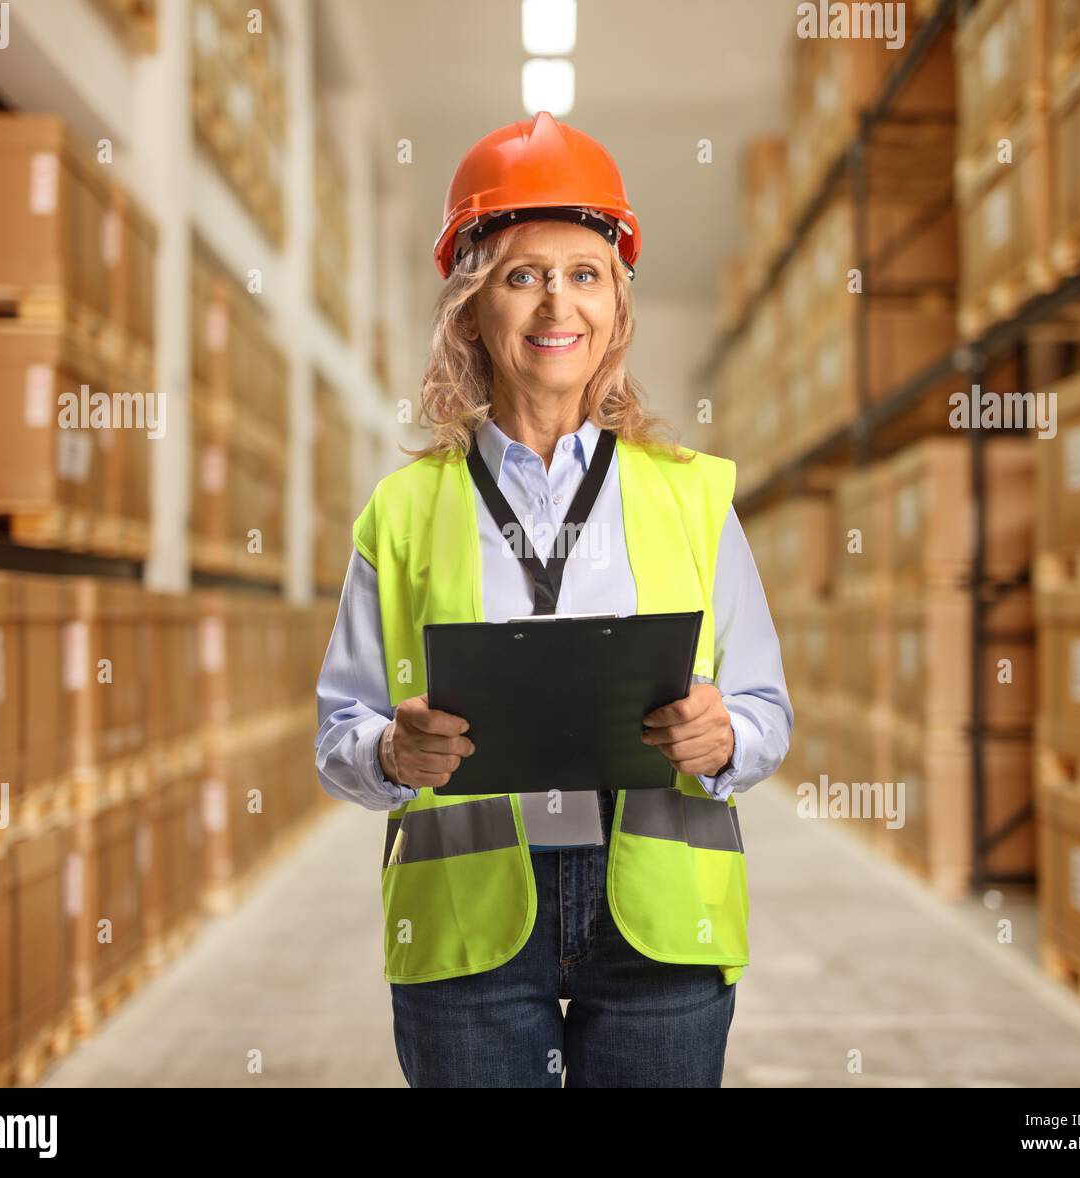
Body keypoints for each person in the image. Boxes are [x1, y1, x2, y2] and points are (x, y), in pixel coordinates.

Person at [315, 111, 793, 1088]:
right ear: (469, 308)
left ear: (616, 308)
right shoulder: (402, 512)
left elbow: (766, 709)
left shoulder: (691, 493)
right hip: (469, 925)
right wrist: (389, 754)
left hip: (658, 917)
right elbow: (339, 729)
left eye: (583, 274)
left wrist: (726, 739)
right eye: (521, 275)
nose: (553, 306)